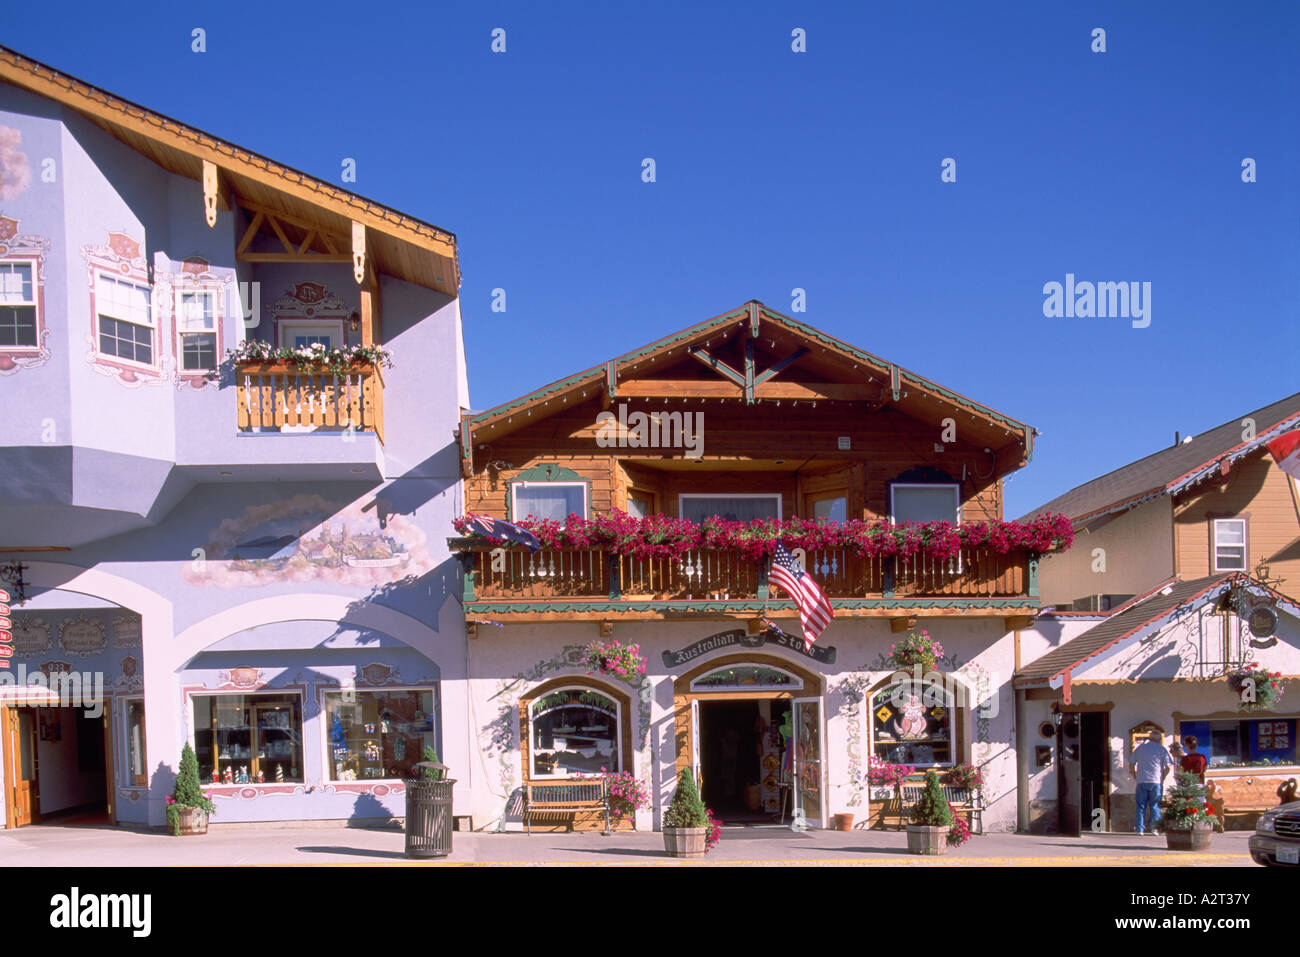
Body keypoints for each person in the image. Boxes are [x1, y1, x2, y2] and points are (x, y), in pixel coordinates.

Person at [1129, 731, 1172, 835]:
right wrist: (1163, 777)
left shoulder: (1140, 748)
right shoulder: (1161, 749)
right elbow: (1168, 766)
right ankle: (1155, 829)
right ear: (1158, 739)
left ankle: (1139, 829)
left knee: (1141, 806)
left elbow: (1131, 763)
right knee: (1155, 805)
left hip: (1142, 780)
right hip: (1156, 781)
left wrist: (1135, 775)